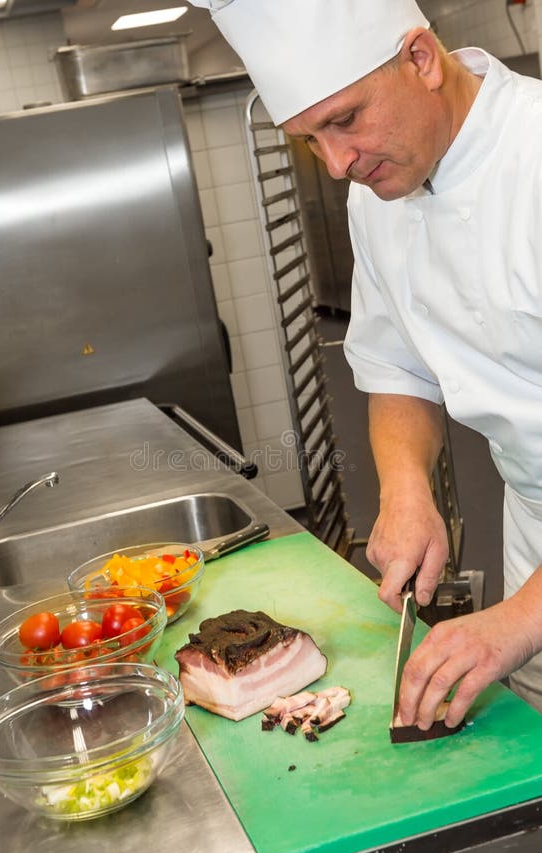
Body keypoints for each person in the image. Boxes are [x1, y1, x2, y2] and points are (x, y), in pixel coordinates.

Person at [188, 0, 542, 729]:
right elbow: (395, 366)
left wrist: (517, 622)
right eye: (309, 138)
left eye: (345, 119)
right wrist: (407, 489)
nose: (337, 163)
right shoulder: (379, 191)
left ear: (419, 59)